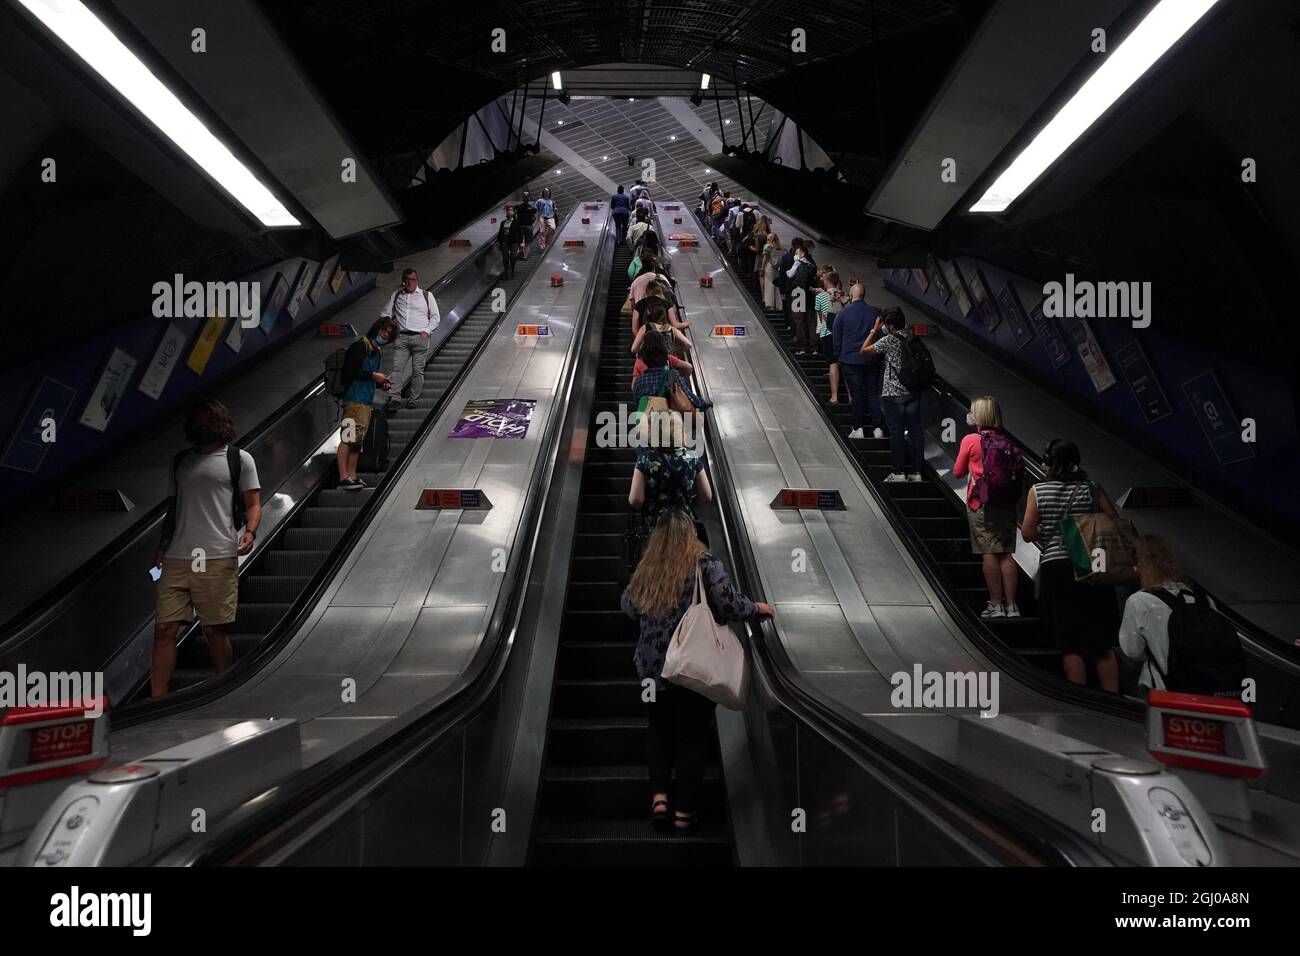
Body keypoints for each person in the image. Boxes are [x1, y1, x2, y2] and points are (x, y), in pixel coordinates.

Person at [621, 510, 774, 830]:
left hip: (652, 669)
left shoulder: (648, 567)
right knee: (692, 736)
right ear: (690, 533)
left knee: (658, 728)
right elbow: (728, 603)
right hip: (691, 663)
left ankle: (660, 799)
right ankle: (684, 811)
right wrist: (756, 608)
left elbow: (628, 605)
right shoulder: (704, 563)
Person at [152, 398, 262, 696]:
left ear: (220, 423)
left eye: (207, 422)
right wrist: (163, 544)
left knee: (213, 631)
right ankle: (156, 700)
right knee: (163, 630)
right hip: (177, 555)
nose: (201, 428)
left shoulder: (239, 460)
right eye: (197, 423)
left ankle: (223, 691)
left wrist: (250, 531)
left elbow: (253, 503)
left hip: (217, 555)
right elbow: (173, 508)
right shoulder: (180, 461)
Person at [1021, 439, 1122, 693]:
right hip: (1091, 566)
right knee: (1102, 642)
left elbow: (1027, 533)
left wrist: (1048, 529)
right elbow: (1114, 521)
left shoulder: (1038, 490)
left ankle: (1080, 699)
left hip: (1058, 569)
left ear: (1051, 463)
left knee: (1069, 642)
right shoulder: (1091, 488)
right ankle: (1115, 701)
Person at [952, 396, 1020, 618]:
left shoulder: (971, 440)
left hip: (981, 503)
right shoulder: (1007, 443)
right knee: (1006, 553)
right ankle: (1012, 606)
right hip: (1007, 504)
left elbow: (957, 472)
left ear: (979, 415)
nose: (970, 414)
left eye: (972, 411)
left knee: (988, 552)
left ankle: (995, 604)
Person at [1118, 536, 1197, 693]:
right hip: (1205, 685)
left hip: (1162, 687)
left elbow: (1132, 651)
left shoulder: (1139, 601)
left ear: (1140, 564)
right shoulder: (1198, 598)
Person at [862, 309, 923, 481]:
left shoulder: (889, 340)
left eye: (885, 325)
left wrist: (874, 329)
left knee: (896, 433)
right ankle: (917, 472)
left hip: (892, 395)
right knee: (915, 432)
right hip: (913, 393)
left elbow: (864, 350)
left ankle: (898, 472)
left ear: (890, 326)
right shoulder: (913, 338)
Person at [336, 318, 395, 490]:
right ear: (376, 329)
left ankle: (352, 476)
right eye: (383, 331)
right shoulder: (360, 346)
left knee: (357, 441)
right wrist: (372, 376)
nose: (385, 335)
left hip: (366, 401)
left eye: (388, 334)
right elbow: (350, 371)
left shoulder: (376, 351)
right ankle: (343, 476)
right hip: (354, 399)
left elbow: (369, 376)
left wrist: (381, 383)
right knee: (348, 438)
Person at [379, 268, 440, 414]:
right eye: (407, 280)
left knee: (417, 370)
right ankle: (395, 398)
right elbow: (385, 314)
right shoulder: (397, 295)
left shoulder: (426, 295)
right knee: (397, 369)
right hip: (401, 338)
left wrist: (427, 331)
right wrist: (390, 330)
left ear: (417, 280)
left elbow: (435, 317)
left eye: (412, 280)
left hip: (420, 338)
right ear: (403, 281)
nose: (409, 282)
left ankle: (414, 399)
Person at [833, 284, 882, 440]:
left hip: (850, 359)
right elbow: (880, 335)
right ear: (864, 295)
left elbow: (836, 336)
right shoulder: (875, 312)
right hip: (871, 359)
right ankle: (878, 428)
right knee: (873, 392)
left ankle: (858, 427)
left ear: (851, 295)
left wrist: (839, 355)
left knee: (857, 394)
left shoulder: (843, 313)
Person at [814, 271, 846, 403]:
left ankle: (834, 397)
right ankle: (851, 397)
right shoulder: (842, 295)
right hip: (842, 333)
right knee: (843, 364)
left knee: (832, 363)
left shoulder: (820, 296)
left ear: (826, 281)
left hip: (827, 332)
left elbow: (821, 316)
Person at [785, 244, 817, 353]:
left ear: (802, 253)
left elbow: (790, 274)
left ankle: (801, 347)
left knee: (799, 320)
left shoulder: (798, 263)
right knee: (811, 320)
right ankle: (814, 347)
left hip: (798, 293)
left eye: (797, 253)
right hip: (809, 293)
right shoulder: (812, 265)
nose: (795, 255)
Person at [496, 205, 522, 279]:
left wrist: (521, 243)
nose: (510, 211)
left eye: (511, 210)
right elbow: (500, 232)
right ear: (507, 212)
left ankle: (512, 270)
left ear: (514, 212)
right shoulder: (503, 222)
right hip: (505, 241)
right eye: (509, 210)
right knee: (505, 258)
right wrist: (498, 241)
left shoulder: (516, 222)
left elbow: (520, 233)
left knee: (513, 256)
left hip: (514, 241)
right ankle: (507, 273)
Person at [761, 232, 783, 309]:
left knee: (769, 284)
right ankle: (779, 305)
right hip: (777, 268)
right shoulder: (780, 247)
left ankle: (770, 304)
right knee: (777, 286)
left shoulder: (767, 246)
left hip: (769, 266)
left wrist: (762, 268)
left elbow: (765, 258)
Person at [535, 186, 559, 251]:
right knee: (542, 232)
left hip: (550, 217)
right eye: (545, 192)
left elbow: (554, 209)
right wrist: (536, 218)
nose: (546, 193)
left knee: (553, 229)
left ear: (549, 193)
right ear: (543, 193)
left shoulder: (552, 201)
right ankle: (542, 247)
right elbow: (536, 209)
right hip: (542, 217)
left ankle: (547, 243)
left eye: (547, 192)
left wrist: (555, 210)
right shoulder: (539, 201)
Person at [516, 190, 536, 259]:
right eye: (524, 198)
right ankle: (521, 252)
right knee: (521, 241)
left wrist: (532, 221)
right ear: (523, 199)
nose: (525, 199)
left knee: (527, 242)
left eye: (527, 198)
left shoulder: (531, 208)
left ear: (528, 199)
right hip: (521, 226)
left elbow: (535, 216)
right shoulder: (518, 207)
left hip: (528, 227)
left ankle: (525, 255)